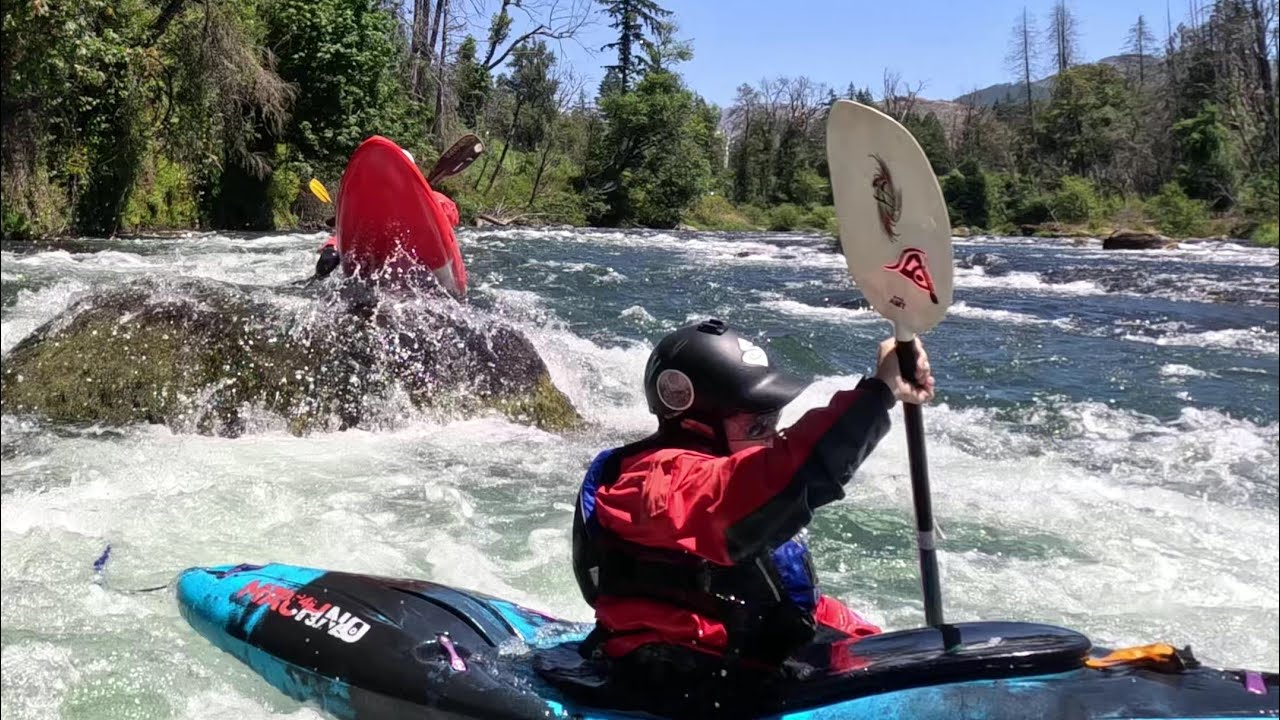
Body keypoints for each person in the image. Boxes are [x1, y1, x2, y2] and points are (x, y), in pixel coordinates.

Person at [569, 318, 935, 717]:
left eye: (774, 419)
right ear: (694, 421)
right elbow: (779, 477)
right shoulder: (654, 483)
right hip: (677, 684)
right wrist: (878, 393)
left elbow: (783, 601)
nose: (771, 436)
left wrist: (879, 645)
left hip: (739, 665)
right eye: (758, 423)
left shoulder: (709, 474)